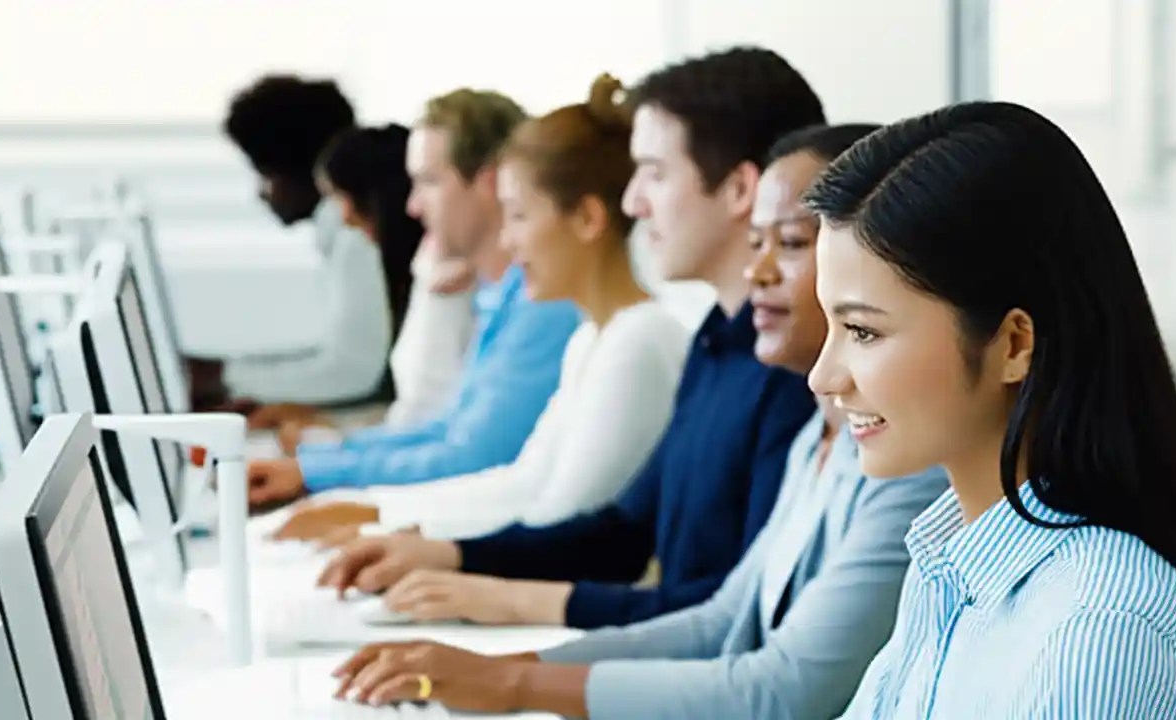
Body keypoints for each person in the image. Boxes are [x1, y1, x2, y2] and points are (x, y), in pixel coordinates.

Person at [327, 124, 953, 720]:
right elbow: (722, 618)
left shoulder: (903, 465)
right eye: (759, 242)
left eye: (791, 244)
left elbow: (784, 686)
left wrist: (513, 672)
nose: (756, 271)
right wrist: (505, 666)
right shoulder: (805, 432)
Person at [314, 46, 825, 632]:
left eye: (655, 174)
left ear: (738, 189)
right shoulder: (715, 340)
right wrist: (452, 555)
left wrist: (500, 605)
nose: (633, 202)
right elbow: (623, 531)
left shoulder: (792, 369)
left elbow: (737, 616)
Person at [796, 102, 1176, 717]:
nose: (824, 377)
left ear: (1014, 344)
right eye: (832, 324)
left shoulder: (1101, 624)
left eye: (864, 331)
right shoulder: (949, 565)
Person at [272, 74, 692, 542]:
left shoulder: (637, 340)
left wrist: (385, 524)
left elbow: (560, 518)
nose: (508, 240)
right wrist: (375, 512)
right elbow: (524, 482)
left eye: (519, 217)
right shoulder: (592, 338)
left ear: (588, 219)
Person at [245, 88, 583, 507]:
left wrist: (314, 471)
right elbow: (444, 427)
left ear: (489, 182)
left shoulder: (544, 302)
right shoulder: (504, 294)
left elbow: (473, 456)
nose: (412, 206)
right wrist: (313, 464)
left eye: (428, 181)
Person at [251, 125, 478, 448]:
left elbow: (435, 422)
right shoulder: (423, 269)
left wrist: (330, 446)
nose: (344, 218)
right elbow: (417, 415)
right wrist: (334, 432)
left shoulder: (452, 280)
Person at [202, 75, 392, 409]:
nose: (261, 192)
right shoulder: (343, 237)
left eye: (265, 174)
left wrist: (226, 378)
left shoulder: (355, 241)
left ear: (299, 169)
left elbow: (350, 370)